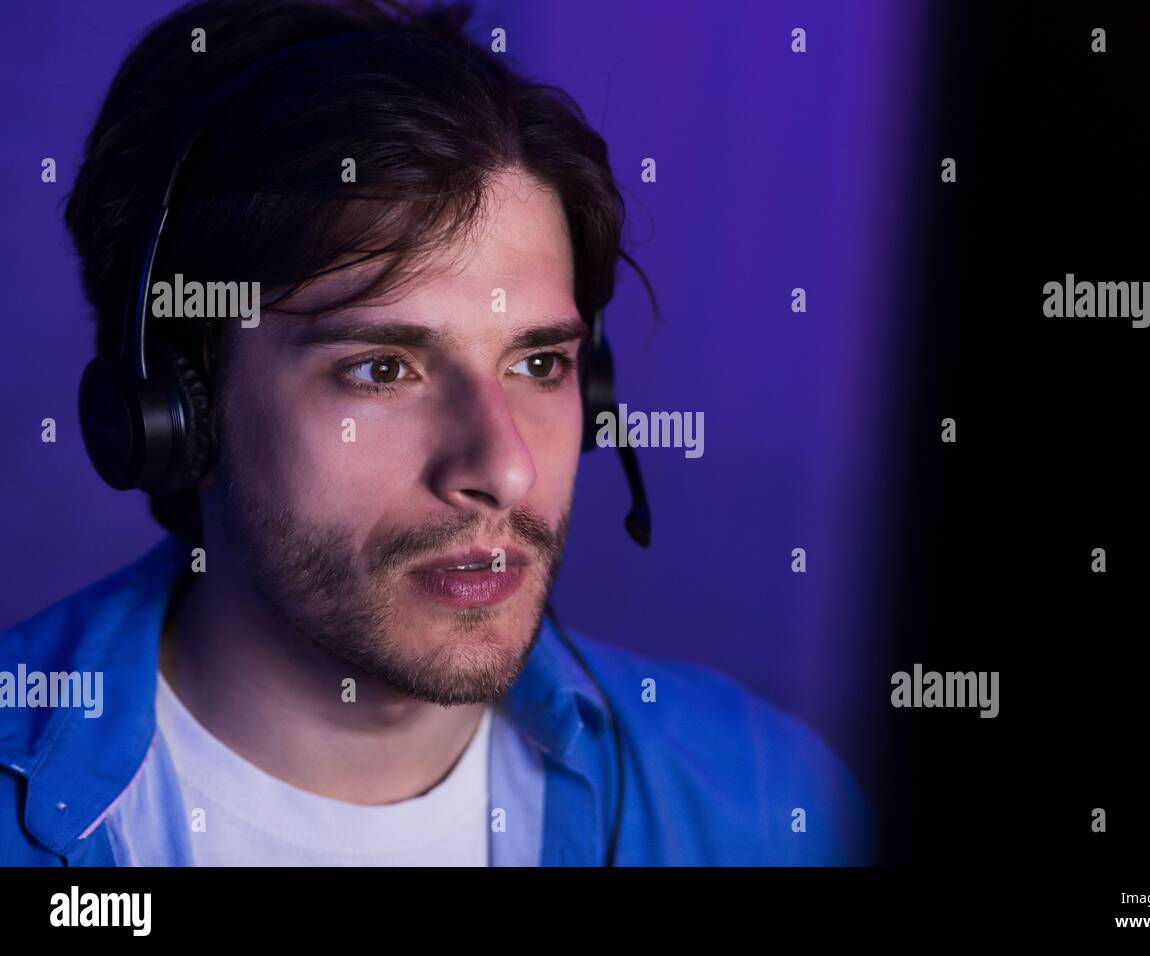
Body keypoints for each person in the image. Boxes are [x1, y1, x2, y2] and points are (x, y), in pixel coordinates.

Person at [0, 0, 870, 866]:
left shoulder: (770, 803)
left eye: (538, 365)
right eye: (382, 369)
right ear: (175, 413)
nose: (505, 469)